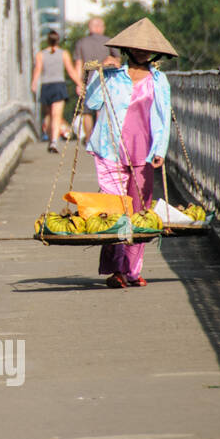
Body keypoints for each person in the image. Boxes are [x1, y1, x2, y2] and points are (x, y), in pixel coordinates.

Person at [84, 17, 176, 289]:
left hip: (143, 151)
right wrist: (99, 73)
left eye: (147, 48)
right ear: (128, 49)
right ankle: (116, 270)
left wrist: (160, 149)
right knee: (115, 211)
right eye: (137, 48)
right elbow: (92, 101)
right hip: (109, 148)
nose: (142, 52)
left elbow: (163, 115)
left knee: (139, 211)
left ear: (154, 52)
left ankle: (133, 271)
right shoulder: (112, 76)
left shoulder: (159, 81)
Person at [72, 17, 119, 141]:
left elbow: (78, 64)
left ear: (90, 28)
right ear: (101, 28)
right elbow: (117, 61)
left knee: (86, 112)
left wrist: (78, 83)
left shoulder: (81, 43)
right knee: (101, 109)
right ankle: (99, 137)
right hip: (105, 80)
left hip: (87, 81)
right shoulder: (109, 41)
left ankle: (89, 138)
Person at [30, 30, 77, 153]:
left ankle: (51, 139)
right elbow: (71, 71)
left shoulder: (41, 54)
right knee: (57, 115)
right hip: (59, 86)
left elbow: (38, 70)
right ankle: (54, 142)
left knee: (49, 116)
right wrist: (80, 83)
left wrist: (34, 83)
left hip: (46, 86)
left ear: (47, 40)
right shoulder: (63, 53)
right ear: (58, 40)